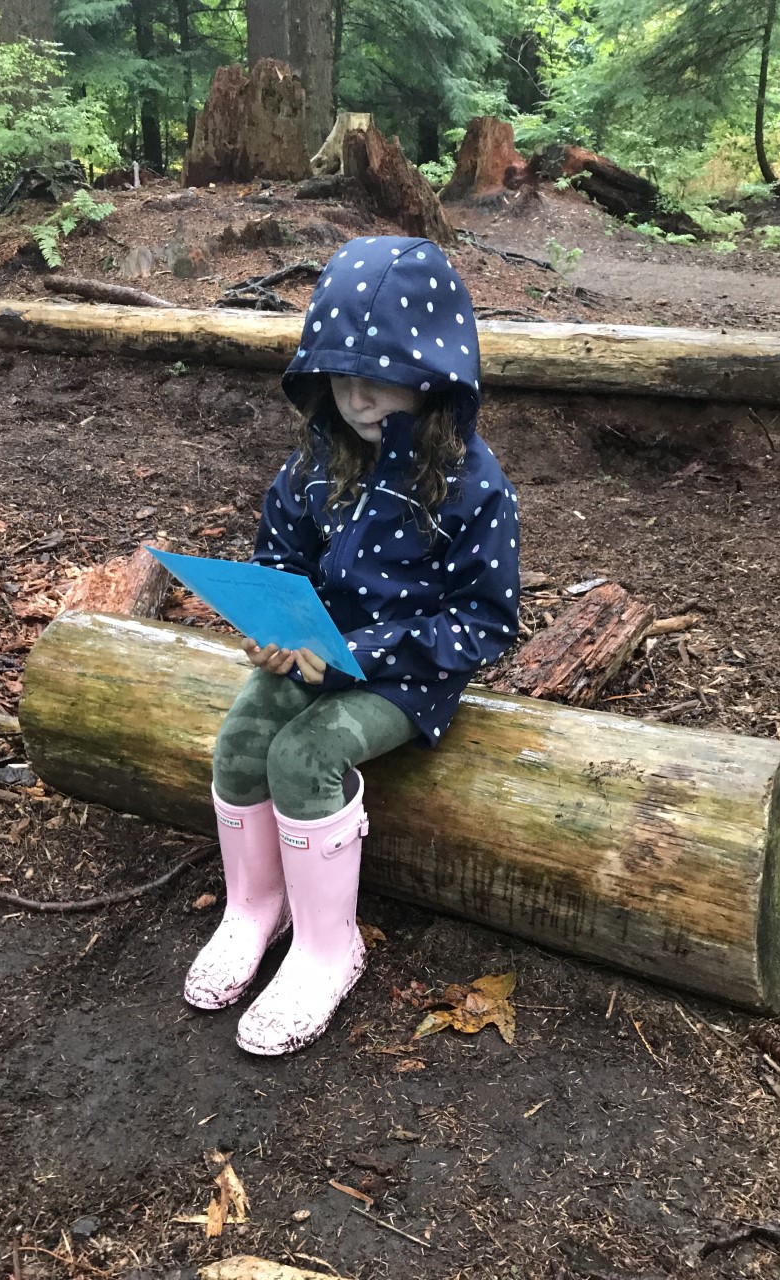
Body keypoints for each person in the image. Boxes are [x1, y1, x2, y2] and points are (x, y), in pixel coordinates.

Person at [184, 234, 520, 1056]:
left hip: (410, 677)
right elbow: (280, 553)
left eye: (381, 376)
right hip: (315, 652)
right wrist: (272, 625)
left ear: (436, 372)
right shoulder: (316, 460)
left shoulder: (473, 485)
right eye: (339, 377)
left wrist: (365, 652)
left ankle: (327, 948)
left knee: (305, 755)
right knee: (240, 740)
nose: (359, 398)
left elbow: (484, 623)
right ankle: (255, 908)